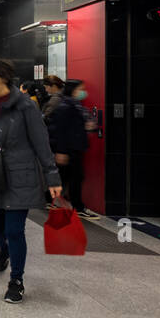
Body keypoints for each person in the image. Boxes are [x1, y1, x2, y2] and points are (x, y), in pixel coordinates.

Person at [0, 58, 63, 304]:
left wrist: (52, 176)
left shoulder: (25, 105)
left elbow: (41, 143)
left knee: (14, 230)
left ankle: (16, 280)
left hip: (20, 174)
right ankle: (3, 249)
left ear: (4, 78)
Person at [49, 79, 99, 220]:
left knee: (66, 176)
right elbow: (59, 131)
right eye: (80, 89)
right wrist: (61, 151)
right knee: (76, 177)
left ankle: (51, 200)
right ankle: (78, 206)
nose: (83, 92)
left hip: (75, 147)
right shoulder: (65, 107)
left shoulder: (76, 106)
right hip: (70, 148)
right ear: (72, 90)